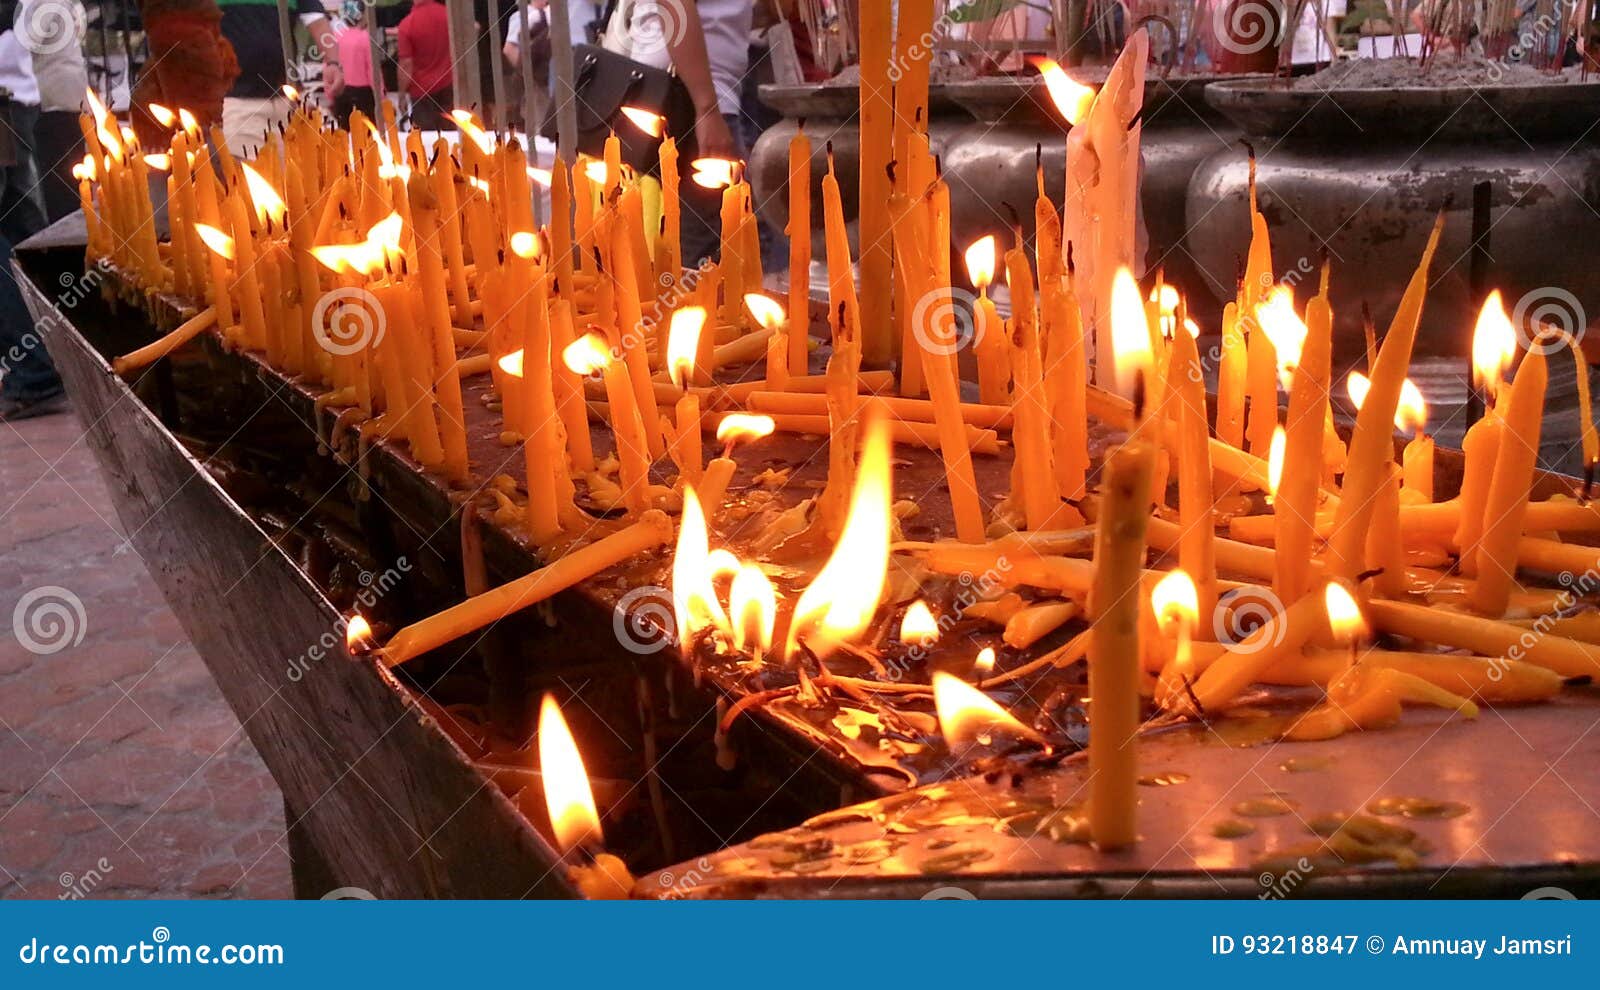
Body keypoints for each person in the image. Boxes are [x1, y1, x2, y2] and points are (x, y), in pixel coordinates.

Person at [0, 9, 61, 420]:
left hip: (8, 102)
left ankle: (36, 368)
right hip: (14, 98)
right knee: (22, 238)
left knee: (17, 241)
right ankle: (52, 361)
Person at [217, 0, 336, 155]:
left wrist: (334, 62)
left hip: (288, 101)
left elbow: (316, 19)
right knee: (248, 173)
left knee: (299, 174)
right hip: (237, 103)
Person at [397, 0, 453, 131]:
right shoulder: (449, 15)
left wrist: (401, 95)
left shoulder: (407, 25)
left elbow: (406, 65)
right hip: (448, 85)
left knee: (428, 140)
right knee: (451, 135)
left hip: (421, 91)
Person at [326, 1, 377, 128]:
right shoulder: (366, 38)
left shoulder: (334, 38)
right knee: (368, 133)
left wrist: (330, 95)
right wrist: (380, 95)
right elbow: (373, 70)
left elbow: (327, 69)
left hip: (340, 92)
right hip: (363, 93)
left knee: (344, 134)